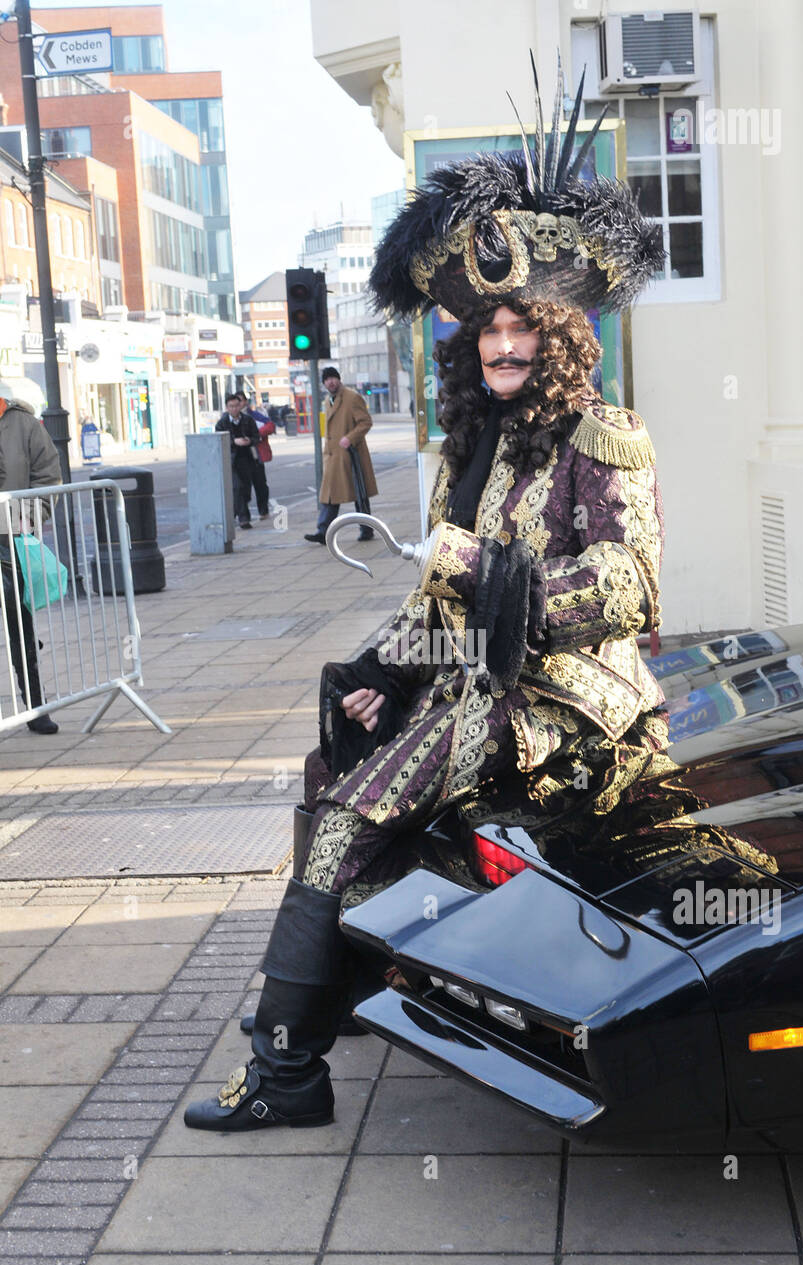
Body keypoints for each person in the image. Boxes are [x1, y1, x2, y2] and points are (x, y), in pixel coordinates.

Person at [183, 60, 667, 1132]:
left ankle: (286, 1066)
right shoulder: (469, 447)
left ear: (555, 333)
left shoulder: (605, 435)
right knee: (332, 759)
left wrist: (479, 572)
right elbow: (439, 611)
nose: (501, 346)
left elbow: (629, 588)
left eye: (520, 328)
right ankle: (344, 993)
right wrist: (384, 671)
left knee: (356, 811)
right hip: (475, 684)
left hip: (563, 700)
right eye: (486, 331)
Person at [0, 382, 63, 733]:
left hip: (8, 541)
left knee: (20, 626)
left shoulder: (21, 423)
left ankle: (36, 707)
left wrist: (31, 515)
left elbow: (48, 475)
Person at [303, 367, 377, 544]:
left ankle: (366, 529)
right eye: (327, 380)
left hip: (351, 455)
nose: (331, 382)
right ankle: (323, 531)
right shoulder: (328, 401)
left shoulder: (352, 397)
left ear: (339, 379)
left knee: (359, 493)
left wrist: (350, 438)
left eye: (333, 378)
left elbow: (366, 422)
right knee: (329, 496)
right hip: (334, 456)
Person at [216, 393, 260, 530]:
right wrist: (233, 442)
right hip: (231, 460)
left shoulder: (248, 420)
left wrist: (248, 441)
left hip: (247, 459)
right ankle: (243, 519)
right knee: (237, 487)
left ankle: (235, 513)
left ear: (240, 405)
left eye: (236, 406)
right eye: (231, 406)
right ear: (227, 407)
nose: (234, 409)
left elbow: (256, 437)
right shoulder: (222, 423)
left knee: (246, 490)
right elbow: (217, 440)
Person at [236, 390, 274, 519]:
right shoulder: (229, 419)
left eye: (240, 401)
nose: (238, 405)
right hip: (239, 458)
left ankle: (263, 511)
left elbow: (270, 425)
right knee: (242, 488)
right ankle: (243, 516)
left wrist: (255, 434)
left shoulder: (254, 416)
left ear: (245, 402)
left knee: (260, 484)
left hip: (255, 455)